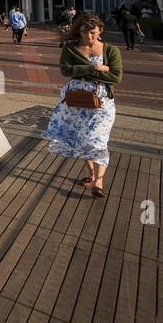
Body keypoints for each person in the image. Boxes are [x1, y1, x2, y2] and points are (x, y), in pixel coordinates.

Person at [43, 14, 123, 199]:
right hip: (75, 102)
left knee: (99, 140)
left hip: (101, 103)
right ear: (79, 31)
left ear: (100, 31)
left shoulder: (110, 50)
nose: (90, 38)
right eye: (86, 33)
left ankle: (99, 182)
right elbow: (66, 71)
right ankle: (93, 175)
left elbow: (115, 77)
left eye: (94, 33)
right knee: (83, 139)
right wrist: (93, 69)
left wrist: (81, 72)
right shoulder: (71, 47)